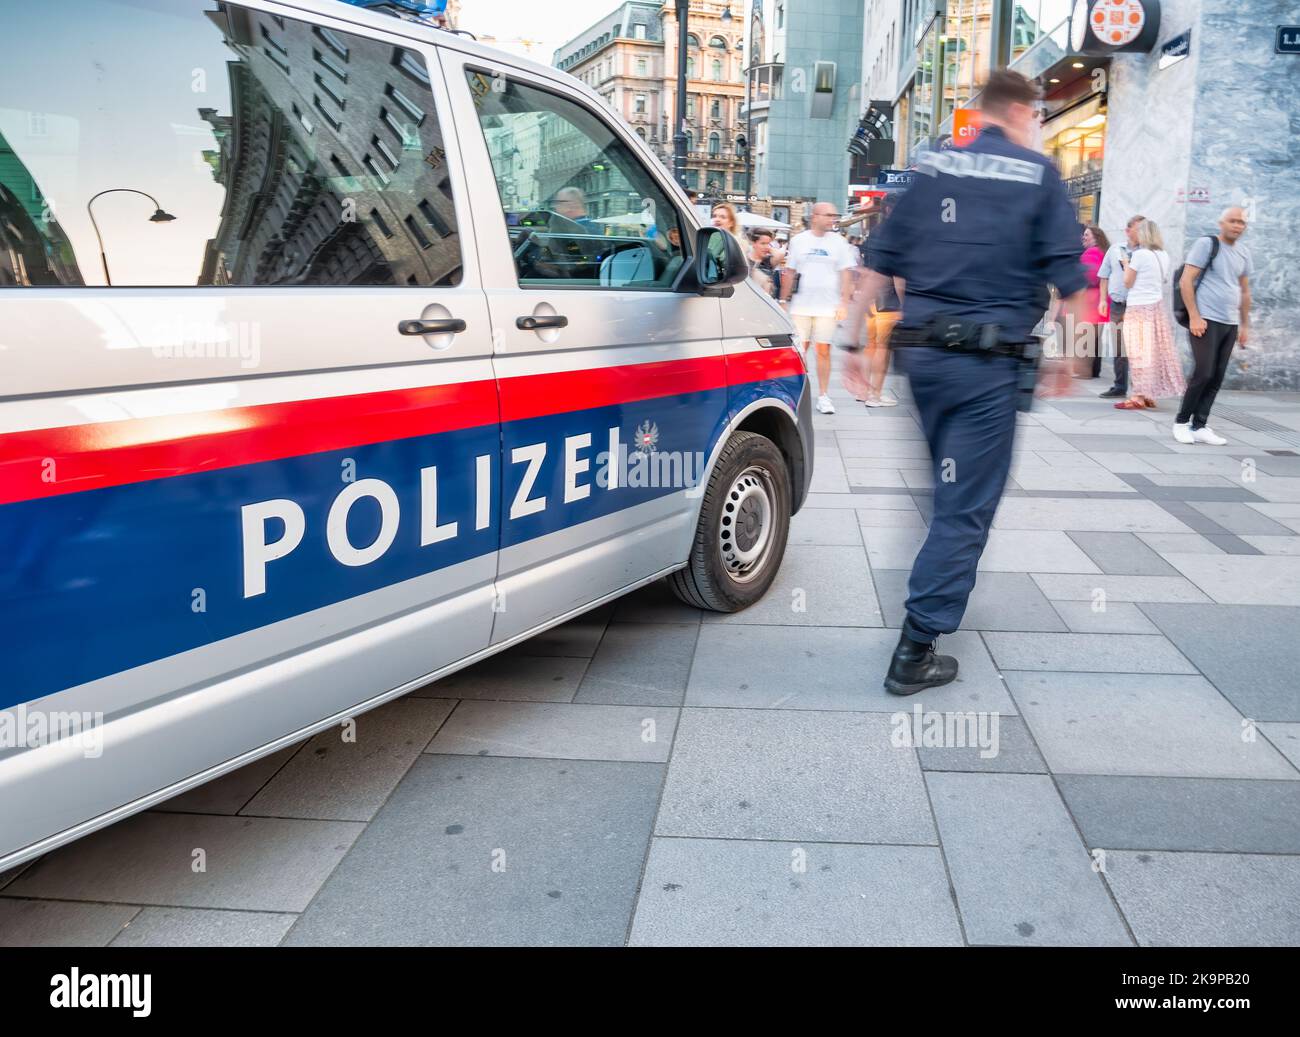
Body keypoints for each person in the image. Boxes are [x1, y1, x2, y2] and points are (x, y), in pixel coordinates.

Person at [848, 69, 1086, 695]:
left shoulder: (934, 167)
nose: (1037, 125)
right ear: (1021, 112)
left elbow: (879, 261)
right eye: (1036, 116)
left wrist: (851, 340)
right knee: (964, 507)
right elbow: (1074, 278)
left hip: (923, 360)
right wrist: (1072, 354)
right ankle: (916, 646)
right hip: (988, 364)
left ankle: (935, 580)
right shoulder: (1038, 174)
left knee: (945, 485)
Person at [1173, 205, 1253, 445]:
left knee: (1216, 376)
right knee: (1203, 372)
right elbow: (1187, 281)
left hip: (1229, 323)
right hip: (1206, 319)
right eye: (1233, 221)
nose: (1237, 225)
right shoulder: (1207, 245)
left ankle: (1200, 425)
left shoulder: (1244, 253)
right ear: (1222, 223)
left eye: (1242, 222)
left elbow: (1245, 291)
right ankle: (1181, 422)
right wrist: (1195, 317)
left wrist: (1245, 325)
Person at [780, 201, 857, 414]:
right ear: (815, 216)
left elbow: (846, 273)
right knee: (799, 351)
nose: (833, 219)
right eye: (829, 215)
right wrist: (782, 300)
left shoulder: (840, 242)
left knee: (823, 351)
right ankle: (797, 394)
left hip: (828, 306)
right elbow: (790, 271)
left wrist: (844, 301)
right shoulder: (799, 241)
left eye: (835, 215)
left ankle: (823, 395)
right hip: (801, 306)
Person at [1115, 218, 1185, 411]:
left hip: (1139, 307)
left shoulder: (1140, 255)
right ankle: (1148, 393)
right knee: (1153, 353)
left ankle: (1138, 396)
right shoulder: (1163, 255)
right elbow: (1162, 280)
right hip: (1156, 307)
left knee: (1138, 353)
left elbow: (1128, 282)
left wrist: (1126, 263)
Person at [1097, 215, 1143, 398]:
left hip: (1138, 306)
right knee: (1119, 347)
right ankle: (1120, 385)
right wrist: (1102, 300)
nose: (1142, 233)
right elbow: (1104, 275)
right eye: (1139, 229)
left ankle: (1140, 389)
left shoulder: (1146, 252)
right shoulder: (1115, 249)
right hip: (1117, 305)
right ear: (1128, 230)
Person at [1077, 225, 1110, 378]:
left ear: (1095, 237)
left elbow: (1090, 276)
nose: (1083, 237)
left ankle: (1086, 371)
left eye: (1086, 235)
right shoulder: (1104, 252)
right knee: (1095, 336)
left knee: (1087, 335)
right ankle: (1095, 370)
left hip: (1091, 299)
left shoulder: (1091, 252)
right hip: (1101, 299)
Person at [748, 229, 781, 298]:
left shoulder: (768, 261)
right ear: (753, 243)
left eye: (768, 244)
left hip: (767, 302)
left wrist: (769, 249)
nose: (766, 247)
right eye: (763, 243)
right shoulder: (745, 261)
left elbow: (779, 254)